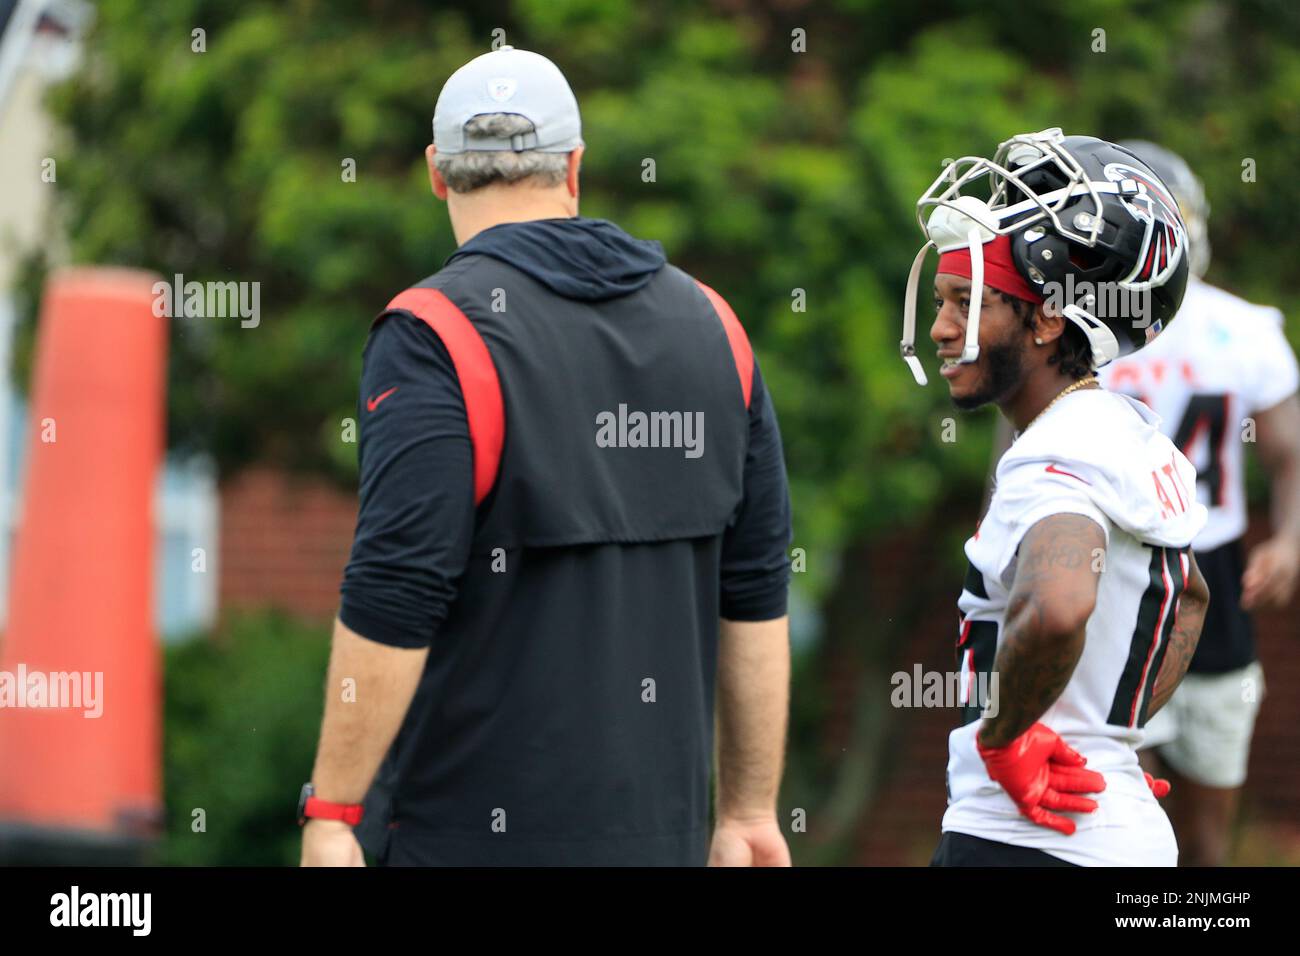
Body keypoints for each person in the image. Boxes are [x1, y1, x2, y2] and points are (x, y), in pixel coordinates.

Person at [298, 46, 794, 866]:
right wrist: (747, 813)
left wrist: (333, 810)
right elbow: (755, 590)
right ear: (574, 165)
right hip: (662, 843)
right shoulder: (715, 328)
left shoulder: (434, 336)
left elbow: (396, 585)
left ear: (436, 173)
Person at [900, 128, 1210, 865]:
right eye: (942, 300)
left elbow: (1060, 603)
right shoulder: (1127, 429)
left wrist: (1005, 739)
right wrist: (1110, 737)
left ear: (1047, 318)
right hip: (1114, 826)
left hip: (1028, 840)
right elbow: (1190, 599)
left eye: (969, 302)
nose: (941, 329)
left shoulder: (1054, 449)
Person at [1096, 141, 1300, 866]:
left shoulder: (1242, 329)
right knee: (1122, 823)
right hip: (1116, 570)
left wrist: (1290, 539)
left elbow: (1289, 454)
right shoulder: (1085, 328)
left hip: (1209, 571)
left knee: (1207, 828)